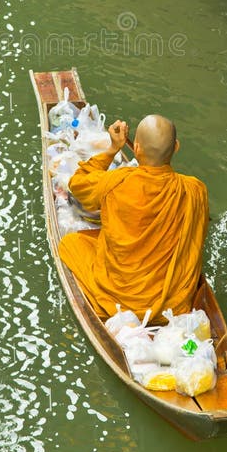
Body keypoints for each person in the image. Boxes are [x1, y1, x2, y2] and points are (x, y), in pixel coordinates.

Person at [58, 115, 208, 321]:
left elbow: (78, 183)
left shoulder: (117, 181)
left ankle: (113, 310)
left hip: (119, 297)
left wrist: (113, 149)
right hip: (172, 302)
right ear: (176, 147)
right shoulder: (194, 189)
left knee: (71, 243)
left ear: (136, 149)